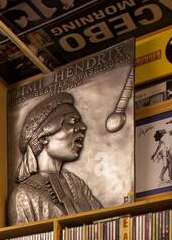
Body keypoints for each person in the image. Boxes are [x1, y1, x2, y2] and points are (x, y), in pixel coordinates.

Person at [9, 92, 103, 223]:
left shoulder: (77, 184)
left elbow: (102, 223)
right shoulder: (24, 194)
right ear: (44, 137)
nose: (83, 127)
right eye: (72, 121)